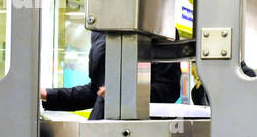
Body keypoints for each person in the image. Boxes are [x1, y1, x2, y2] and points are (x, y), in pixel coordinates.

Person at [41, 30, 182, 117]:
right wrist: (48, 94)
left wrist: (124, 93)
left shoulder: (160, 30)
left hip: (141, 131)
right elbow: (96, 90)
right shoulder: (99, 31)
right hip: (101, 128)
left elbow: (168, 90)